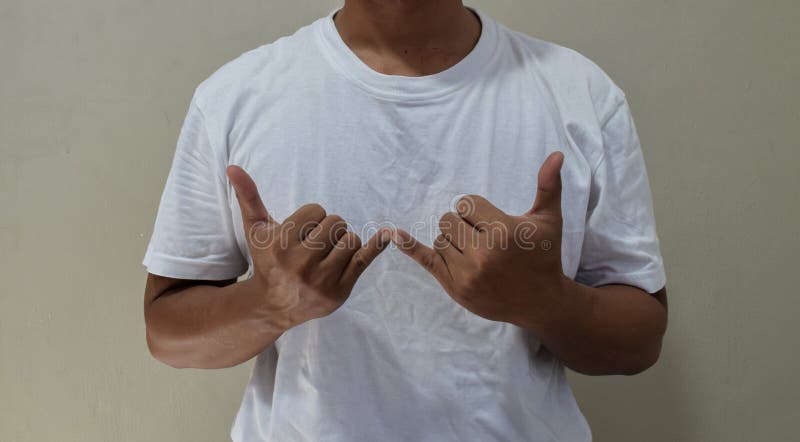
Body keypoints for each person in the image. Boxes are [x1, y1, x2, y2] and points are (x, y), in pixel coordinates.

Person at [142, 1, 668, 440]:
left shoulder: (580, 95)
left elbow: (641, 340)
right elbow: (166, 334)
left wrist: (547, 302)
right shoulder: (234, 98)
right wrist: (267, 303)